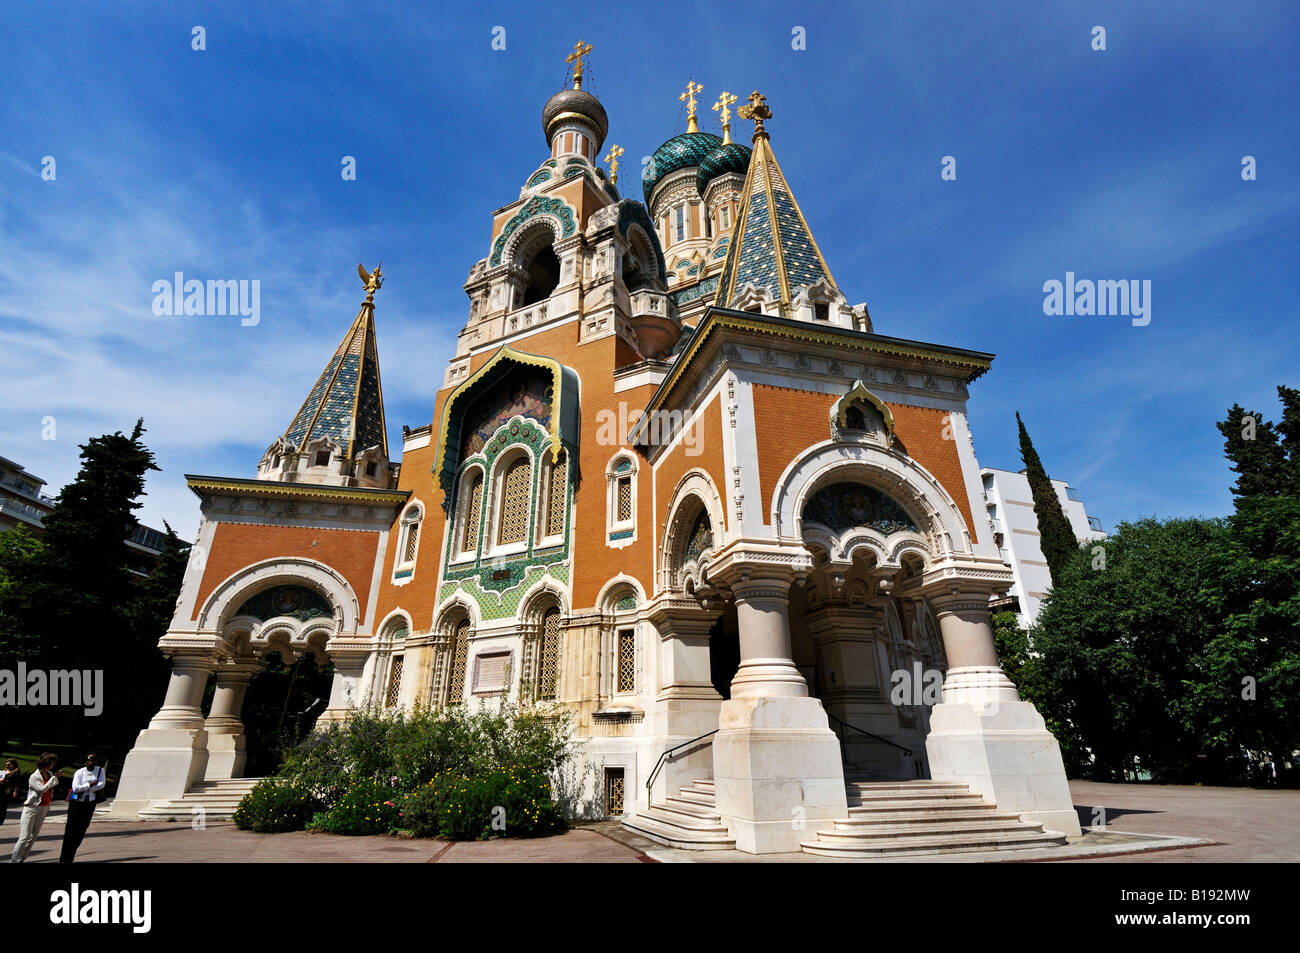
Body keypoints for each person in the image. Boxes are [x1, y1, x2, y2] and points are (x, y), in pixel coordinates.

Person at [10, 753, 61, 863]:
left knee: (33, 837)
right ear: (47, 763)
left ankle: (22, 859)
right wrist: (53, 779)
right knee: (24, 837)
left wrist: (53, 778)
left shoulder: (49, 774)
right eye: (52, 762)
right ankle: (15, 860)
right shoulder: (34, 776)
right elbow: (41, 789)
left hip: (44, 807)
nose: (54, 765)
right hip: (32, 808)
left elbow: (52, 787)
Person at [59, 752, 106, 863]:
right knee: (70, 830)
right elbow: (75, 788)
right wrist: (90, 785)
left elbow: (101, 784)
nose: (92, 762)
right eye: (90, 760)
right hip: (76, 803)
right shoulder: (79, 772)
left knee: (82, 829)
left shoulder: (100, 771)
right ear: (85, 762)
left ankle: (71, 853)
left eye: (94, 760)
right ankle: (65, 858)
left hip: (90, 803)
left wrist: (86, 788)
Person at [0, 759, 21, 825]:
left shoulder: (16, 771)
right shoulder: (4, 771)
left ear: (13, 764)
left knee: (3, 806)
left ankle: (1, 820)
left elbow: (17, 782)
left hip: (7, 790)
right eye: (6, 764)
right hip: (1, 789)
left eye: (9, 764)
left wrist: (15, 791)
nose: (7, 765)